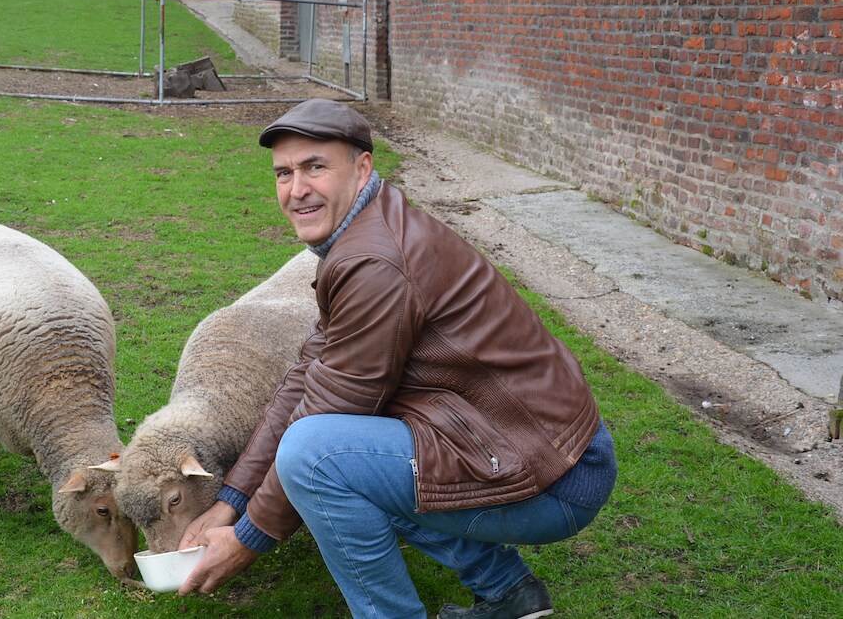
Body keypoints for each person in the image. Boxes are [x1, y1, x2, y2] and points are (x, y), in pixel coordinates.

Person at [176, 98, 617, 619]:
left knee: (319, 458)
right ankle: (508, 594)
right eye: (284, 173)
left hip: (554, 476)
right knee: (351, 456)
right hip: (525, 444)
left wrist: (247, 538)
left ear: (362, 168)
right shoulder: (366, 230)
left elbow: (323, 417)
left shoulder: (374, 261)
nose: (297, 189)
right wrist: (232, 499)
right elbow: (306, 379)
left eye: (316, 167)